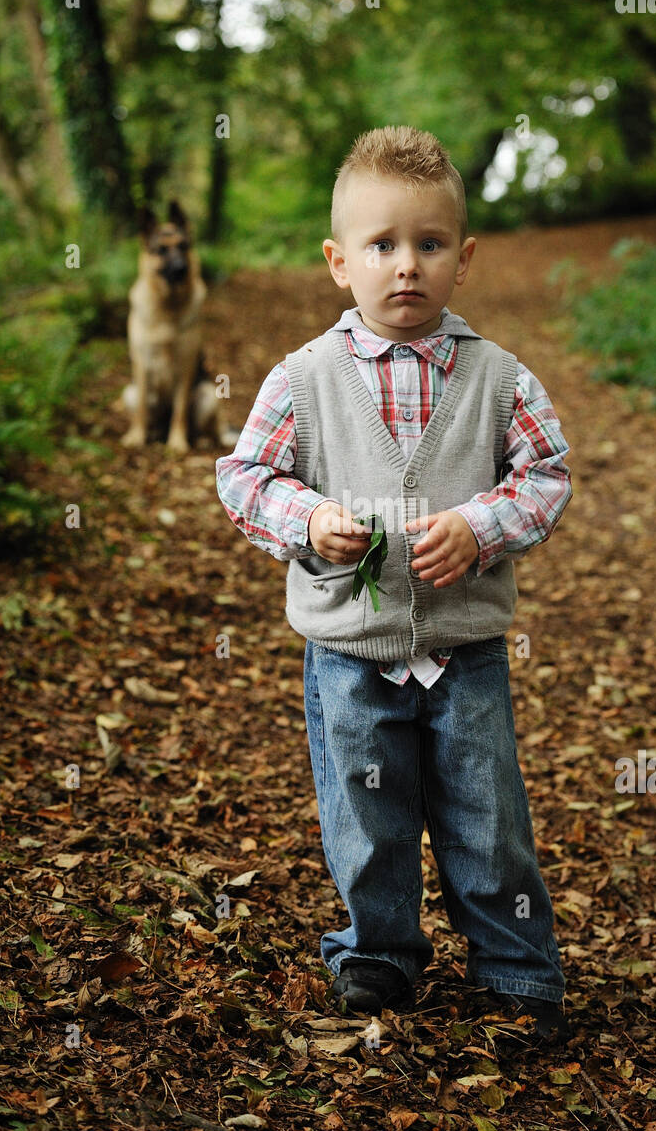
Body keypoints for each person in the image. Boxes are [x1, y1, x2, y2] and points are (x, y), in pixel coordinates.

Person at [216, 125, 573, 1045]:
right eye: (380, 245)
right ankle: (377, 953)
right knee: (365, 816)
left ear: (464, 259)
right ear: (340, 262)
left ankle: (514, 968)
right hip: (349, 654)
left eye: (428, 244)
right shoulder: (303, 380)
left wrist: (480, 525)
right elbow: (245, 475)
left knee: (486, 816)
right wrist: (307, 520)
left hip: (466, 651)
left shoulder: (499, 379)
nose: (404, 266)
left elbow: (545, 475)